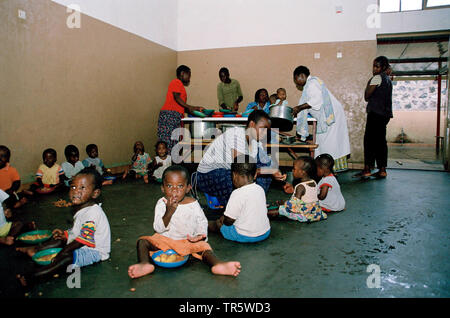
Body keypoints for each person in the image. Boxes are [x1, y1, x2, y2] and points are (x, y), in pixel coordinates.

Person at [127, 165, 241, 279]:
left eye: (180, 186)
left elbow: (202, 222)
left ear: (188, 188)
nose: (174, 190)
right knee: (143, 242)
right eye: (170, 185)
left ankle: (217, 264)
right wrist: (169, 212)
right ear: (162, 188)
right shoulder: (162, 203)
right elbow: (158, 228)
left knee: (204, 247)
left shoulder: (193, 204)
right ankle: (144, 264)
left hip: (187, 242)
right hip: (165, 240)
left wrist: (199, 236)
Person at [16, 167, 111, 287]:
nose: (76, 191)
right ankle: (36, 250)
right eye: (73, 187)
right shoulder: (83, 208)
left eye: (82, 188)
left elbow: (83, 240)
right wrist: (66, 234)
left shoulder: (93, 213)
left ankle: (34, 276)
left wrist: (62, 253)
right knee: (60, 240)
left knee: (66, 258)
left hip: (94, 251)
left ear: (95, 193)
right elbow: (78, 230)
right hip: (83, 243)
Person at [195, 110, 286, 207]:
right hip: (207, 176)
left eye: (267, 130)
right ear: (252, 124)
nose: (265, 133)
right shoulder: (236, 134)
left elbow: (268, 163)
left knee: (266, 170)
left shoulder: (256, 142)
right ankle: (235, 206)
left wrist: (280, 177)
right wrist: (270, 171)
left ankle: (255, 203)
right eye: (263, 129)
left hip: (229, 171)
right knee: (238, 177)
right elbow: (241, 170)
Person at [292, 66, 351, 172]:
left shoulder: (312, 84)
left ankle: (329, 170)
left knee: (329, 143)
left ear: (302, 76)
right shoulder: (311, 84)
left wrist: (299, 108)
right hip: (329, 116)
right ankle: (325, 169)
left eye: (296, 79)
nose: (296, 83)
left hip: (331, 117)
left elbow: (315, 101)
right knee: (324, 142)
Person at [208, 155, 271, 243]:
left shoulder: (237, 193)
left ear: (234, 175)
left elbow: (229, 221)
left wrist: (222, 220)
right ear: (255, 174)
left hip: (245, 236)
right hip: (265, 232)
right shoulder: (260, 189)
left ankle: (206, 225)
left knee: (219, 224)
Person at [354, 56, 393, 179]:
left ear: (384, 67)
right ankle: (382, 170)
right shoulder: (388, 79)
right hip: (384, 115)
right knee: (381, 142)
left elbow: (367, 95)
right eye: (374, 66)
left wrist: (370, 81)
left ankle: (367, 169)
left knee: (369, 141)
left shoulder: (376, 78)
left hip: (375, 114)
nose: (374, 69)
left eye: (377, 66)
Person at [157, 65, 205, 153]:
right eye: (189, 75)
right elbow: (176, 97)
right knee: (166, 144)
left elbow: (182, 106)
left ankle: (170, 165)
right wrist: (191, 107)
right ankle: (165, 165)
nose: (189, 78)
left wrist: (196, 109)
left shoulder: (180, 86)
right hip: (169, 115)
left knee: (173, 144)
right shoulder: (176, 82)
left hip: (174, 116)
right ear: (182, 73)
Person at [270, 156, 327, 223]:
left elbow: (293, 205)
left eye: (294, 169)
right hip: (314, 212)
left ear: (303, 172)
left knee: (281, 210)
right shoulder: (313, 182)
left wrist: (284, 204)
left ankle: (266, 214)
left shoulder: (300, 187)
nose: (292, 170)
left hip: (305, 215)